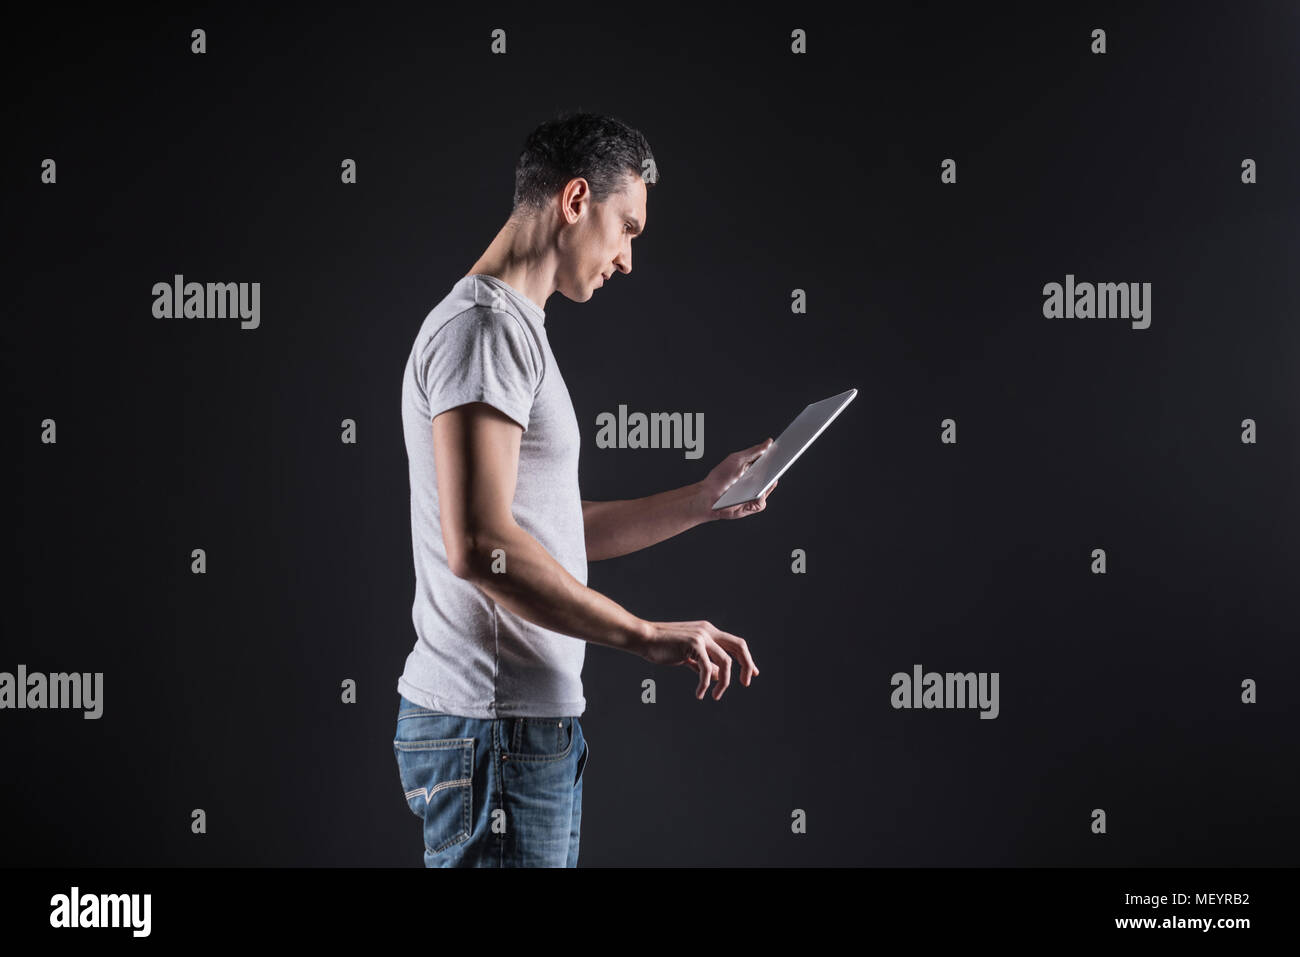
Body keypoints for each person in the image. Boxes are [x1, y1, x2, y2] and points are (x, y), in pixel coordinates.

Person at [393, 111, 778, 867]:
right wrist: (646, 634)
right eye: (627, 227)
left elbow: (549, 530)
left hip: (515, 732)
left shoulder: (515, 330)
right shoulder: (485, 328)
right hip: (495, 731)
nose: (629, 258)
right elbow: (480, 546)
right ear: (575, 201)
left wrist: (705, 497)